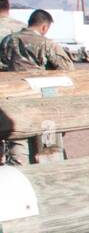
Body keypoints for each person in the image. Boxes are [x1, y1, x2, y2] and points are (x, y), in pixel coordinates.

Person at [1, 9, 75, 165]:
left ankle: (22, 178)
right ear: (44, 27)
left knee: (18, 143)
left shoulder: (7, 41)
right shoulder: (45, 43)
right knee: (48, 144)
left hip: (15, 100)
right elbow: (68, 68)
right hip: (43, 101)